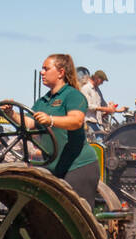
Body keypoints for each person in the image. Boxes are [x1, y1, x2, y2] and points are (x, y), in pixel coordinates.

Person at [28, 53, 98, 205]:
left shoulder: (73, 95)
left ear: (60, 73)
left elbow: (76, 120)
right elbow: (28, 122)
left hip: (78, 166)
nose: (42, 72)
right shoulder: (43, 101)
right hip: (54, 167)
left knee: (79, 216)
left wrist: (50, 120)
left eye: (46, 68)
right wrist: (11, 113)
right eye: (42, 69)